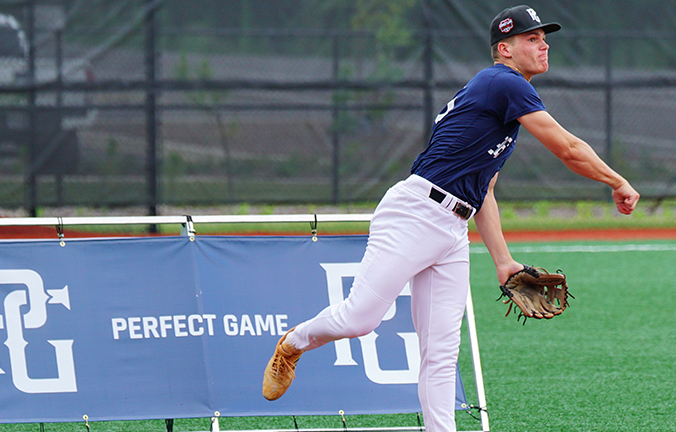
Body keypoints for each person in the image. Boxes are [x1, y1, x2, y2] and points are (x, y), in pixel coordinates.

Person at [262, 5, 640, 432]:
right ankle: (293, 344)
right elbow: (568, 148)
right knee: (360, 319)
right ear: (505, 49)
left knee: (441, 351)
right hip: (414, 213)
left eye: (543, 37)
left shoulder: (505, 103)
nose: (543, 43)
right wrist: (616, 181)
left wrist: (503, 261)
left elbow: (486, 191)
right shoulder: (503, 81)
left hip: (452, 230)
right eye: (532, 38)